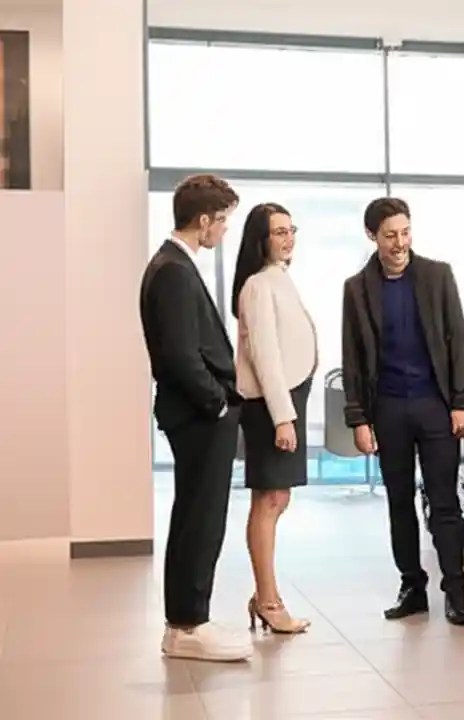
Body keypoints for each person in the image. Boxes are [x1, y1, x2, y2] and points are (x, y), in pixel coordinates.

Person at [341, 197, 464, 625]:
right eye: (389, 235)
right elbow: (353, 357)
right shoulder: (357, 289)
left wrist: (461, 402)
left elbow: (457, 340)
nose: (399, 243)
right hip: (388, 409)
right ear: (372, 237)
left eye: (405, 232)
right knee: (399, 501)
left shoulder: (437, 276)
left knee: (444, 504)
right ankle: (412, 587)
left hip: (435, 406)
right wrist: (358, 418)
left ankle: (455, 590)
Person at [139, 174, 251, 661]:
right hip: (199, 416)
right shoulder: (173, 270)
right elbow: (182, 356)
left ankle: (186, 620)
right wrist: (218, 402)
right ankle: (187, 625)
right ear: (204, 220)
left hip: (197, 414)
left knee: (195, 515)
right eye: (223, 220)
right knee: (200, 519)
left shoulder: (173, 265)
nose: (225, 229)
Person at [230, 203, 318, 634]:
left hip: (284, 401)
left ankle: (262, 594)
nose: (287, 238)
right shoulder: (258, 285)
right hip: (270, 405)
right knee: (269, 501)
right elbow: (264, 355)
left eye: (290, 230)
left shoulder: (277, 279)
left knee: (277, 499)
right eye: (278, 232)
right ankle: (268, 599)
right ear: (260, 239)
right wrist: (283, 417)